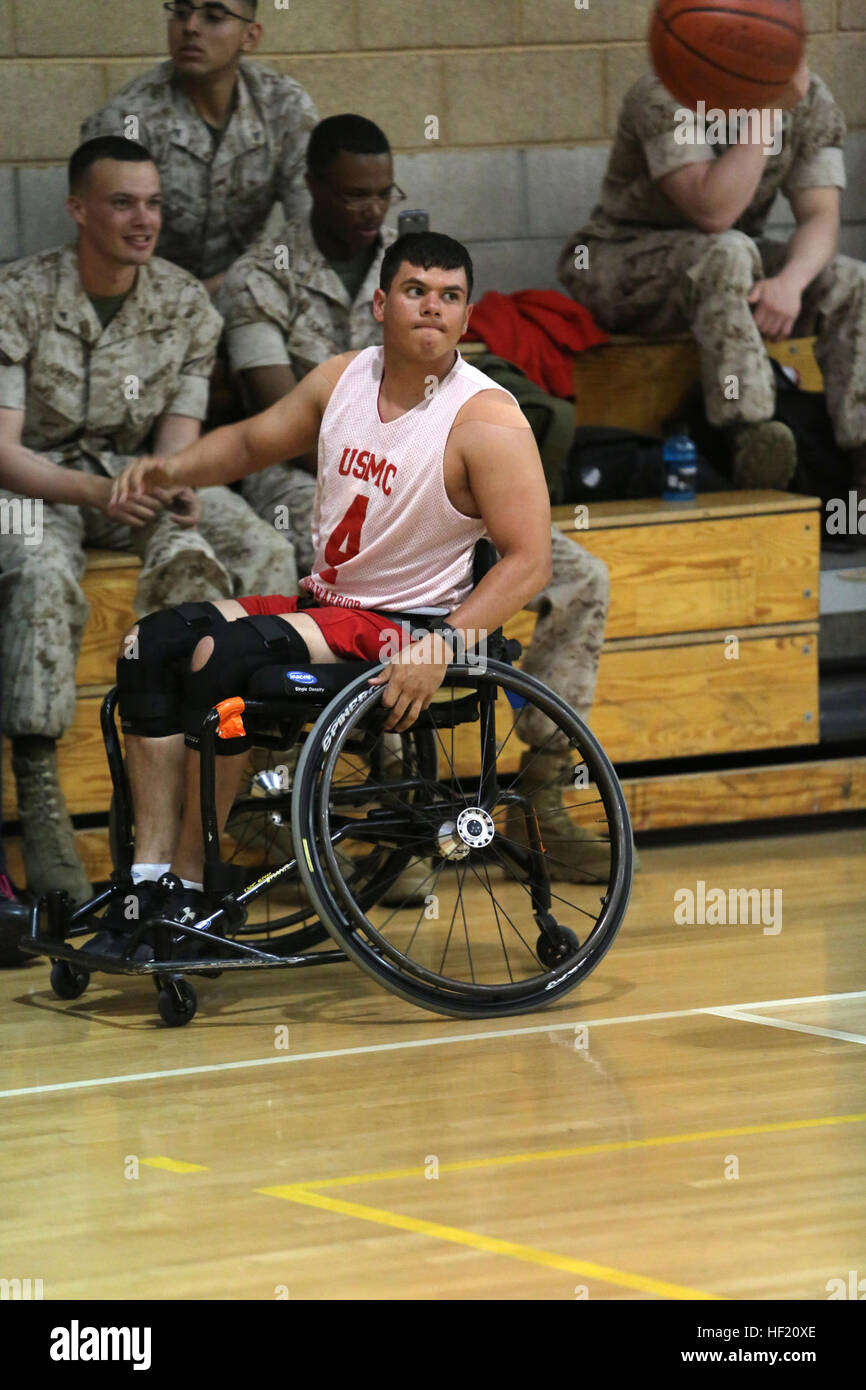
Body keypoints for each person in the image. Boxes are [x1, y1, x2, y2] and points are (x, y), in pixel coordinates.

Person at [103, 231, 609, 929]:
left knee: (221, 658)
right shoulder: (341, 378)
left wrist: (442, 645)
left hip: (405, 625)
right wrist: (168, 470)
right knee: (149, 643)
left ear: (466, 317)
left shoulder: (486, 419)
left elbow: (530, 561)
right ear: (380, 304)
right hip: (326, 605)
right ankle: (147, 876)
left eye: (449, 297)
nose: (431, 308)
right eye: (415, 291)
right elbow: (253, 441)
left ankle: (196, 884)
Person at [0, 137, 297, 906]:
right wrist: (97, 493)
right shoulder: (20, 295)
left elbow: (179, 432)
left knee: (262, 546)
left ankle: (246, 777)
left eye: (155, 203)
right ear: (79, 210)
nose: (145, 219)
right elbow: (2, 452)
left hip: (141, 482)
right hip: (43, 487)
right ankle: (42, 804)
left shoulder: (186, 304)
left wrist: (176, 482)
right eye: (124, 203)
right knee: (37, 571)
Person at [558, 62, 866, 492]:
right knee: (727, 253)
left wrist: (790, 283)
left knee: (853, 283)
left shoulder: (809, 95)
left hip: (731, 261)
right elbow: (713, 211)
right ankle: (752, 438)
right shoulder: (667, 88)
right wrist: (768, 110)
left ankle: (860, 456)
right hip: (620, 260)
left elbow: (820, 217)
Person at [217, 113, 401, 576]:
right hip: (295, 476)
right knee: (363, 556)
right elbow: (285, 425)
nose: (374, 211)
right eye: (356, 196)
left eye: (384, 194)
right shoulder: (260, 276)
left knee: (567, 566)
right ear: (313, 186)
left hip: (407, 468)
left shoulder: (410, 269)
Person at [80, 0, 318, 296]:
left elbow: (310, 231)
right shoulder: (130, 118)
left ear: (250, 36)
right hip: (147, 300)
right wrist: (188, 299)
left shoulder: (282, 105)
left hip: (249, 292)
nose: (190, 27)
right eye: (181, 13)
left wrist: (238, 282)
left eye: (213, 16)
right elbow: (107, 243)